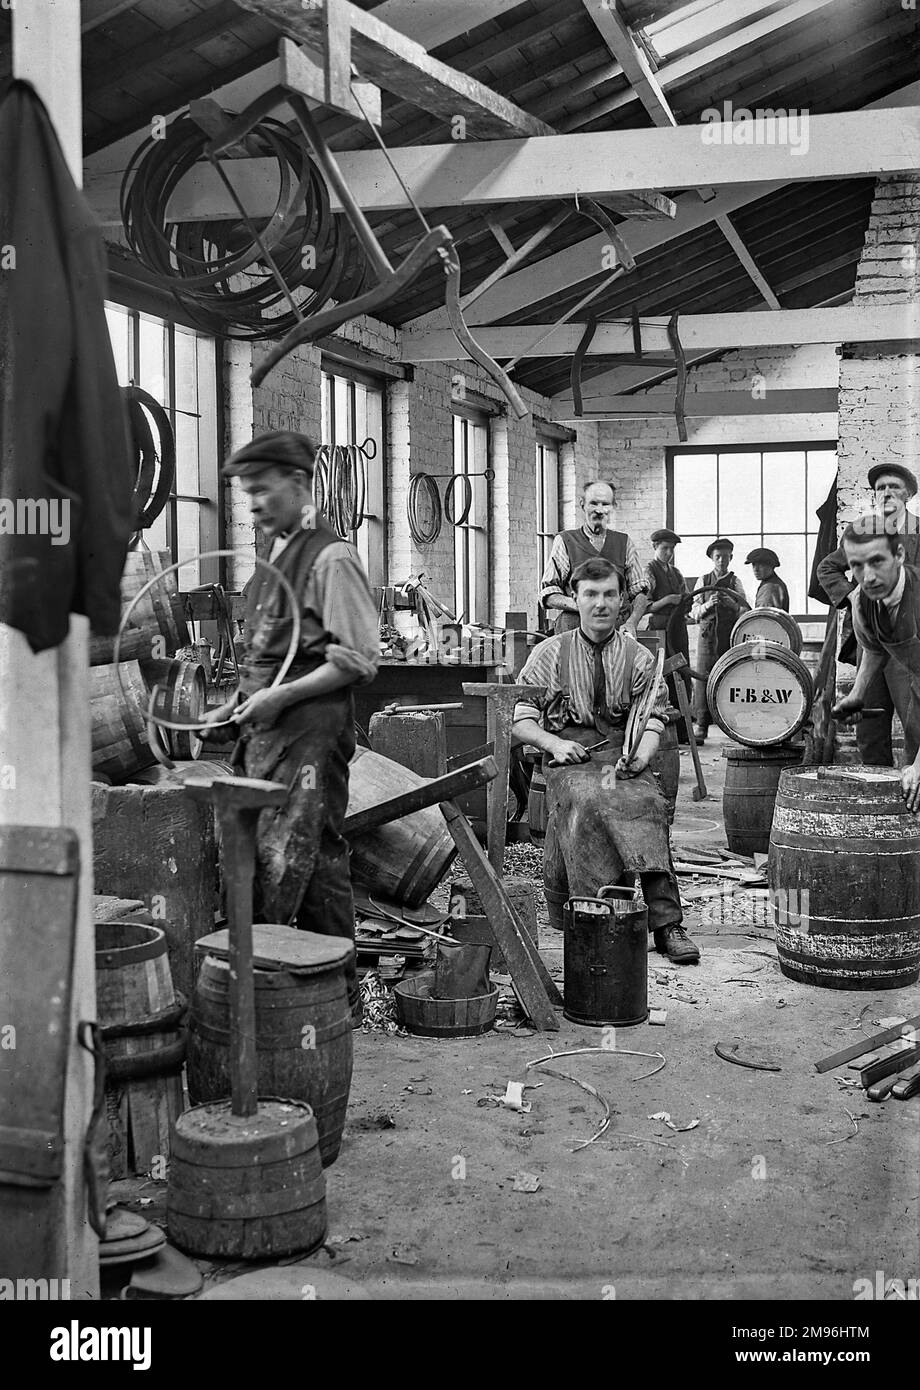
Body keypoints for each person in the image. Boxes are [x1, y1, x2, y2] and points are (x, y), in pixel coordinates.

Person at [203, 431, 380, 1024]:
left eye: (261, 489)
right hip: (270, 729)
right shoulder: (274, 555)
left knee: (309, 858)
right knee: (266, 857)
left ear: (300, 484)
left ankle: (336, 997)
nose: (251, 503)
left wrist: (278, 697)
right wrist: (235, 704)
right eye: (246, 492)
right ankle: (275, 986)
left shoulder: (331, 556)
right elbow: (268, 654)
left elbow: (357, 658)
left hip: (310, 730)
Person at [513, 556, 699, 964]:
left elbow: (655, 719)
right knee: (590, 800)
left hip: (622, 754)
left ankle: (667, 924)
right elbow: (521, 721)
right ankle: (595, 915)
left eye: (610, 595)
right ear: (575, 600)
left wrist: (641, 756)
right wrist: (553, 744)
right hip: (571, 757)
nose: (600, 604)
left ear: (621, 602)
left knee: (650, 802)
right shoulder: (548, 654)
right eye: (591, 595)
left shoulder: (638, 658)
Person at [817, 464, 920, 766]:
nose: (886, 493)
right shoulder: (864, 533)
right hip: (871, 647)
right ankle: (878, 799)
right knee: (869, 731)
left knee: (914, 727)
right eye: (880, 489)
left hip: (910, 648)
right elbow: (827, 568)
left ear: (909, 494)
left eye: (893, 487)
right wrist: (853, 595)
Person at [832, 515, 920, 810]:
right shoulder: (861, 600)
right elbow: (873, 648)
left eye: (877, 561)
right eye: (856, 565)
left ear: (899, 555)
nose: (867, 576)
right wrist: (857, 695)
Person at [540, 479, 651, 638]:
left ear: (613, 507)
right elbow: (549, 594)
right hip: (574, 625)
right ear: (582, 504)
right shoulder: (566, 541)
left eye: (605, 504)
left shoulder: (624, 542)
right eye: (593, 503)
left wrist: (631, 622)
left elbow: (640, 593)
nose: (599, 510)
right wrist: (582, 604)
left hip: (616, 626)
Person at [689, 538, 750, 742]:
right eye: (718, 557)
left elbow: (745, 610)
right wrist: (707, 605)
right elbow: (693, 612)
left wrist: (731, 604)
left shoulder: (735, 582)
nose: (722, 560)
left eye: (725, 557)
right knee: (702, 679)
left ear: (731, 558)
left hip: (728, 638)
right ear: (712, 558)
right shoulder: (703, 580)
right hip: (706, 638)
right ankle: (701, 726)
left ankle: (731, 727)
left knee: (729, 678)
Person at [644, 527, 692, 737]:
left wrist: (685, 603)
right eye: (665, 548)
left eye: (672, 549)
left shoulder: (676, 573)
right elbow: (644, 606)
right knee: (662, 677)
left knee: (683, 673)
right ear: (655, 547)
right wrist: (667, 600)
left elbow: (687, 599)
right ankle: (661, 731)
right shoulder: (649, 571)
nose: (669, 553)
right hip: (659, 631)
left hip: (678, 630)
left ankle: (683, 730)